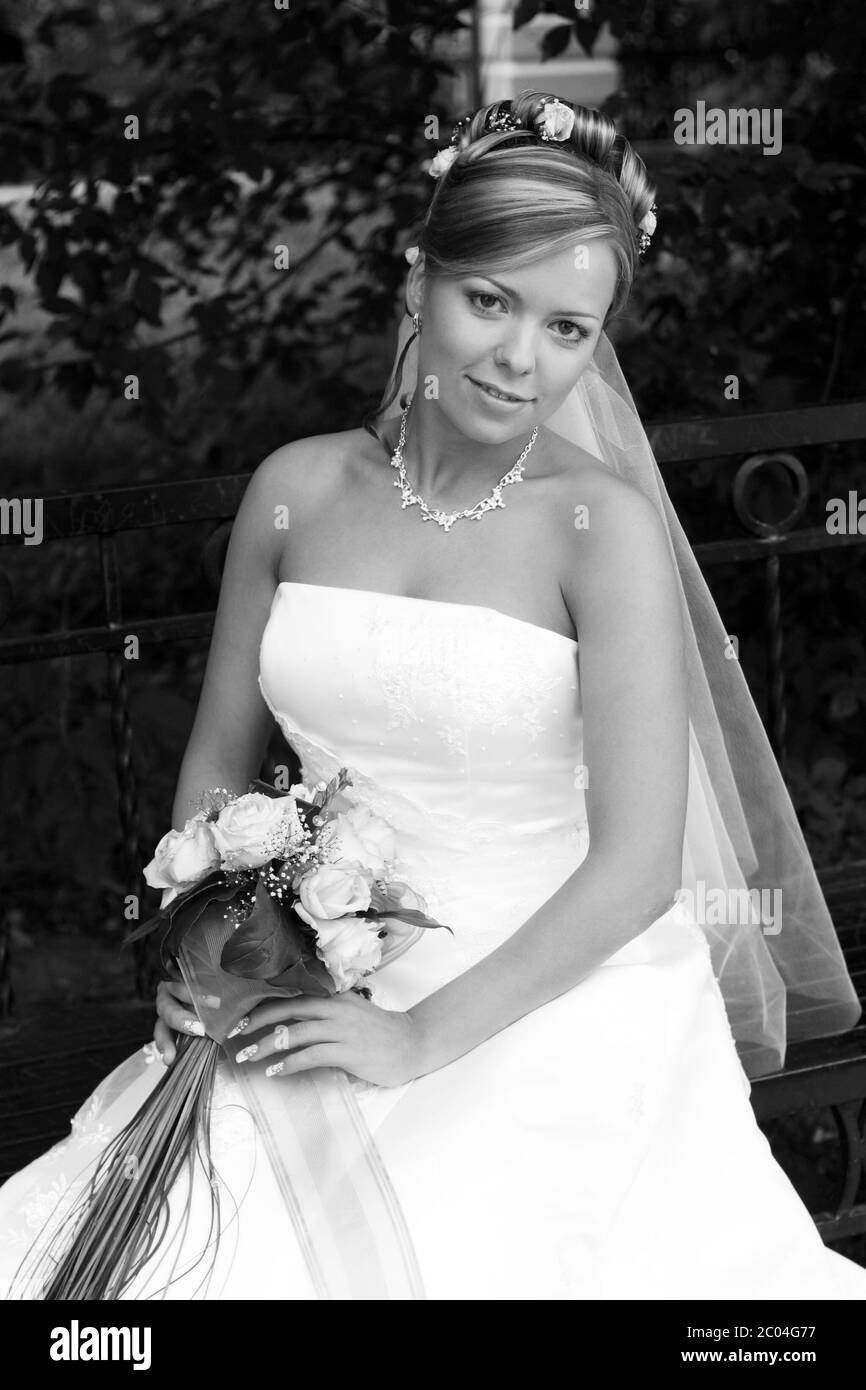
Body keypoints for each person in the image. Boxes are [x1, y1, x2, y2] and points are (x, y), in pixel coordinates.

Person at [1, 91, 864, 1300]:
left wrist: (415, 1039)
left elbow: (635, 872)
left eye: (568, 329)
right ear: (419, 279)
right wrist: (217, 938)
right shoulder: (292, 490)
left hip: (547, 983)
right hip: (313, 961)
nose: (520, 360)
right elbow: (213, 767)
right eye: (489, 301)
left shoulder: (596, 530)